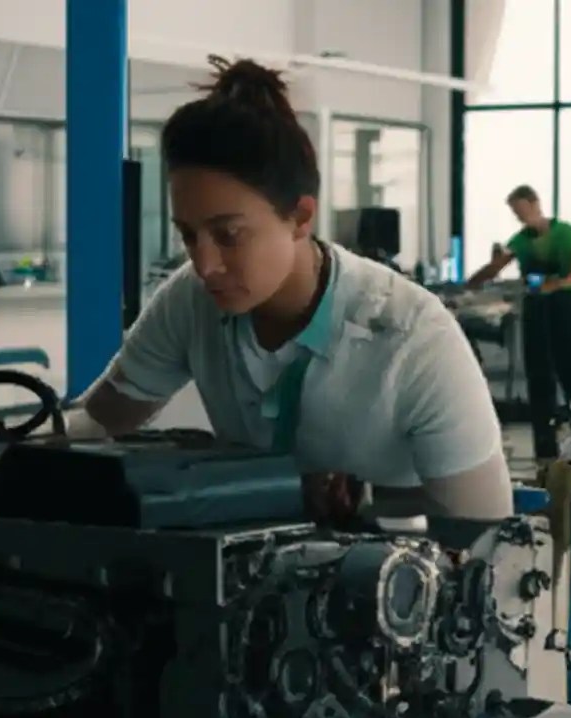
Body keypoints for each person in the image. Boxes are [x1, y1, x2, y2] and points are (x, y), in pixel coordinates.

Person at [71, 57, 512, 525]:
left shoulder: (411, 337)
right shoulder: (190, 300)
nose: (204, 265)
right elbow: (100, 418)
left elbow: (482, 535)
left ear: (301, 218)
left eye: (229, 235)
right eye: (188, 235)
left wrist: (366, 511)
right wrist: (2, 449)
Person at [466, 185, 571, 466]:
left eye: (522, 211)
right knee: (539, 381)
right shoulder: (521, 240)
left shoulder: (565, 233)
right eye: (516, 215)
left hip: (563, 310)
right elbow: (496, 267)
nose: (521, 219)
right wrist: (472, 282)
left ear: (535, 204)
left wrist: (550, 284)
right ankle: (545, 450)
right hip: (536, 312)